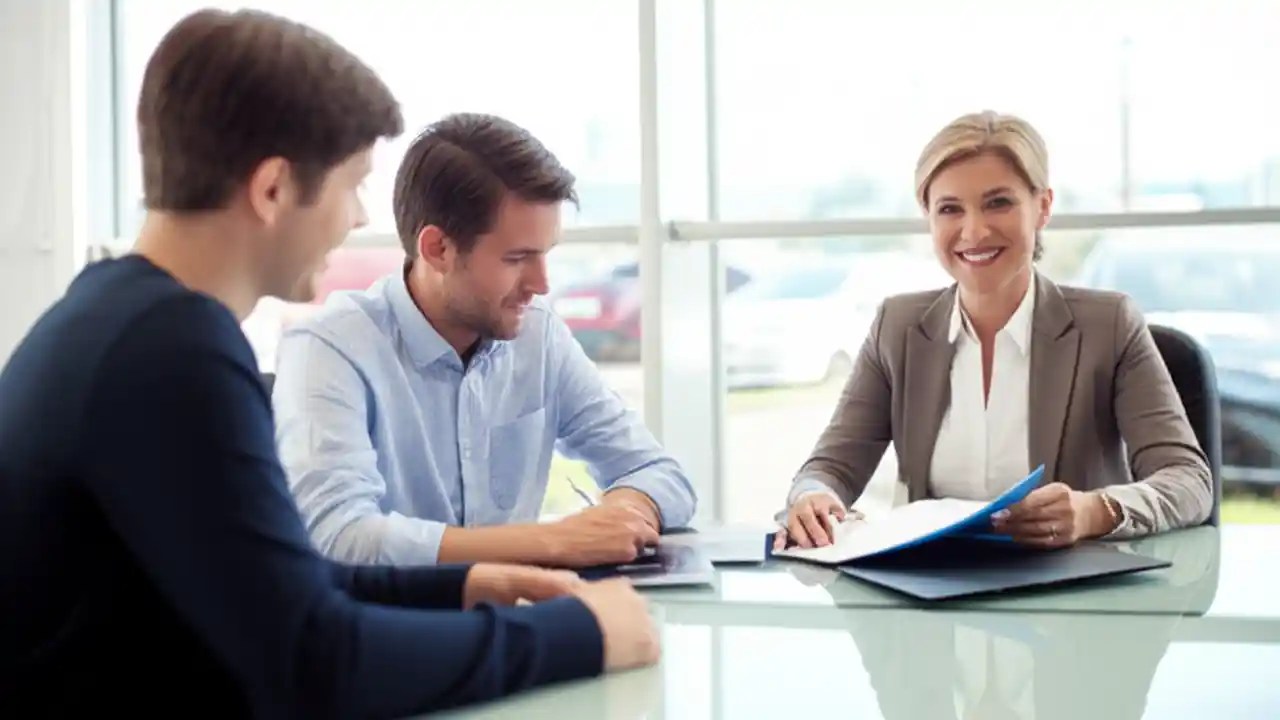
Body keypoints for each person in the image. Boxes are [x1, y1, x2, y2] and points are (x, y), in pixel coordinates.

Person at [0, 10, 657, 718]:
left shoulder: (112, 319)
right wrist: (578, 634)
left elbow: (280, 584)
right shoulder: (173, 354)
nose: (357, 216)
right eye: (352, 183)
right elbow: (314, 661)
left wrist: (464, 585)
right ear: (274, 188)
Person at [271, 112, 696, 568]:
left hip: (514, 623)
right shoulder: (331, 347)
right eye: (517, 258)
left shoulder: (538, 334)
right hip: (390, 630)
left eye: (546, 255)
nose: (542, 283)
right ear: (437, 249)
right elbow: (338, 536)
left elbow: (660, 473)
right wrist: (554, 542)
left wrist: (622, 514)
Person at [775, 110, 1212, 550]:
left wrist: (1092, 511)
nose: (974, 231)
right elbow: (829, 468)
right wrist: (814, 497)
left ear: (1042, 207)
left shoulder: (1109, 325)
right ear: (928, 216)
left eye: (998, 203)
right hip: (932, 596)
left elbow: (1190, 482)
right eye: (950, 209)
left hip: (1074, 598)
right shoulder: (898, 327)